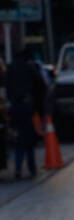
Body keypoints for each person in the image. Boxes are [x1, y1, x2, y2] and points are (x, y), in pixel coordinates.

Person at [5, 48, 45, 180]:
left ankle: (18, 169)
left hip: (14, 106)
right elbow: (40, 85)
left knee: (18, 141)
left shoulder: (10, 68)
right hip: (27, 106)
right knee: (29, 140)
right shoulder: (30, 68)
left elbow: (6, 85)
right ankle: (32, 169)